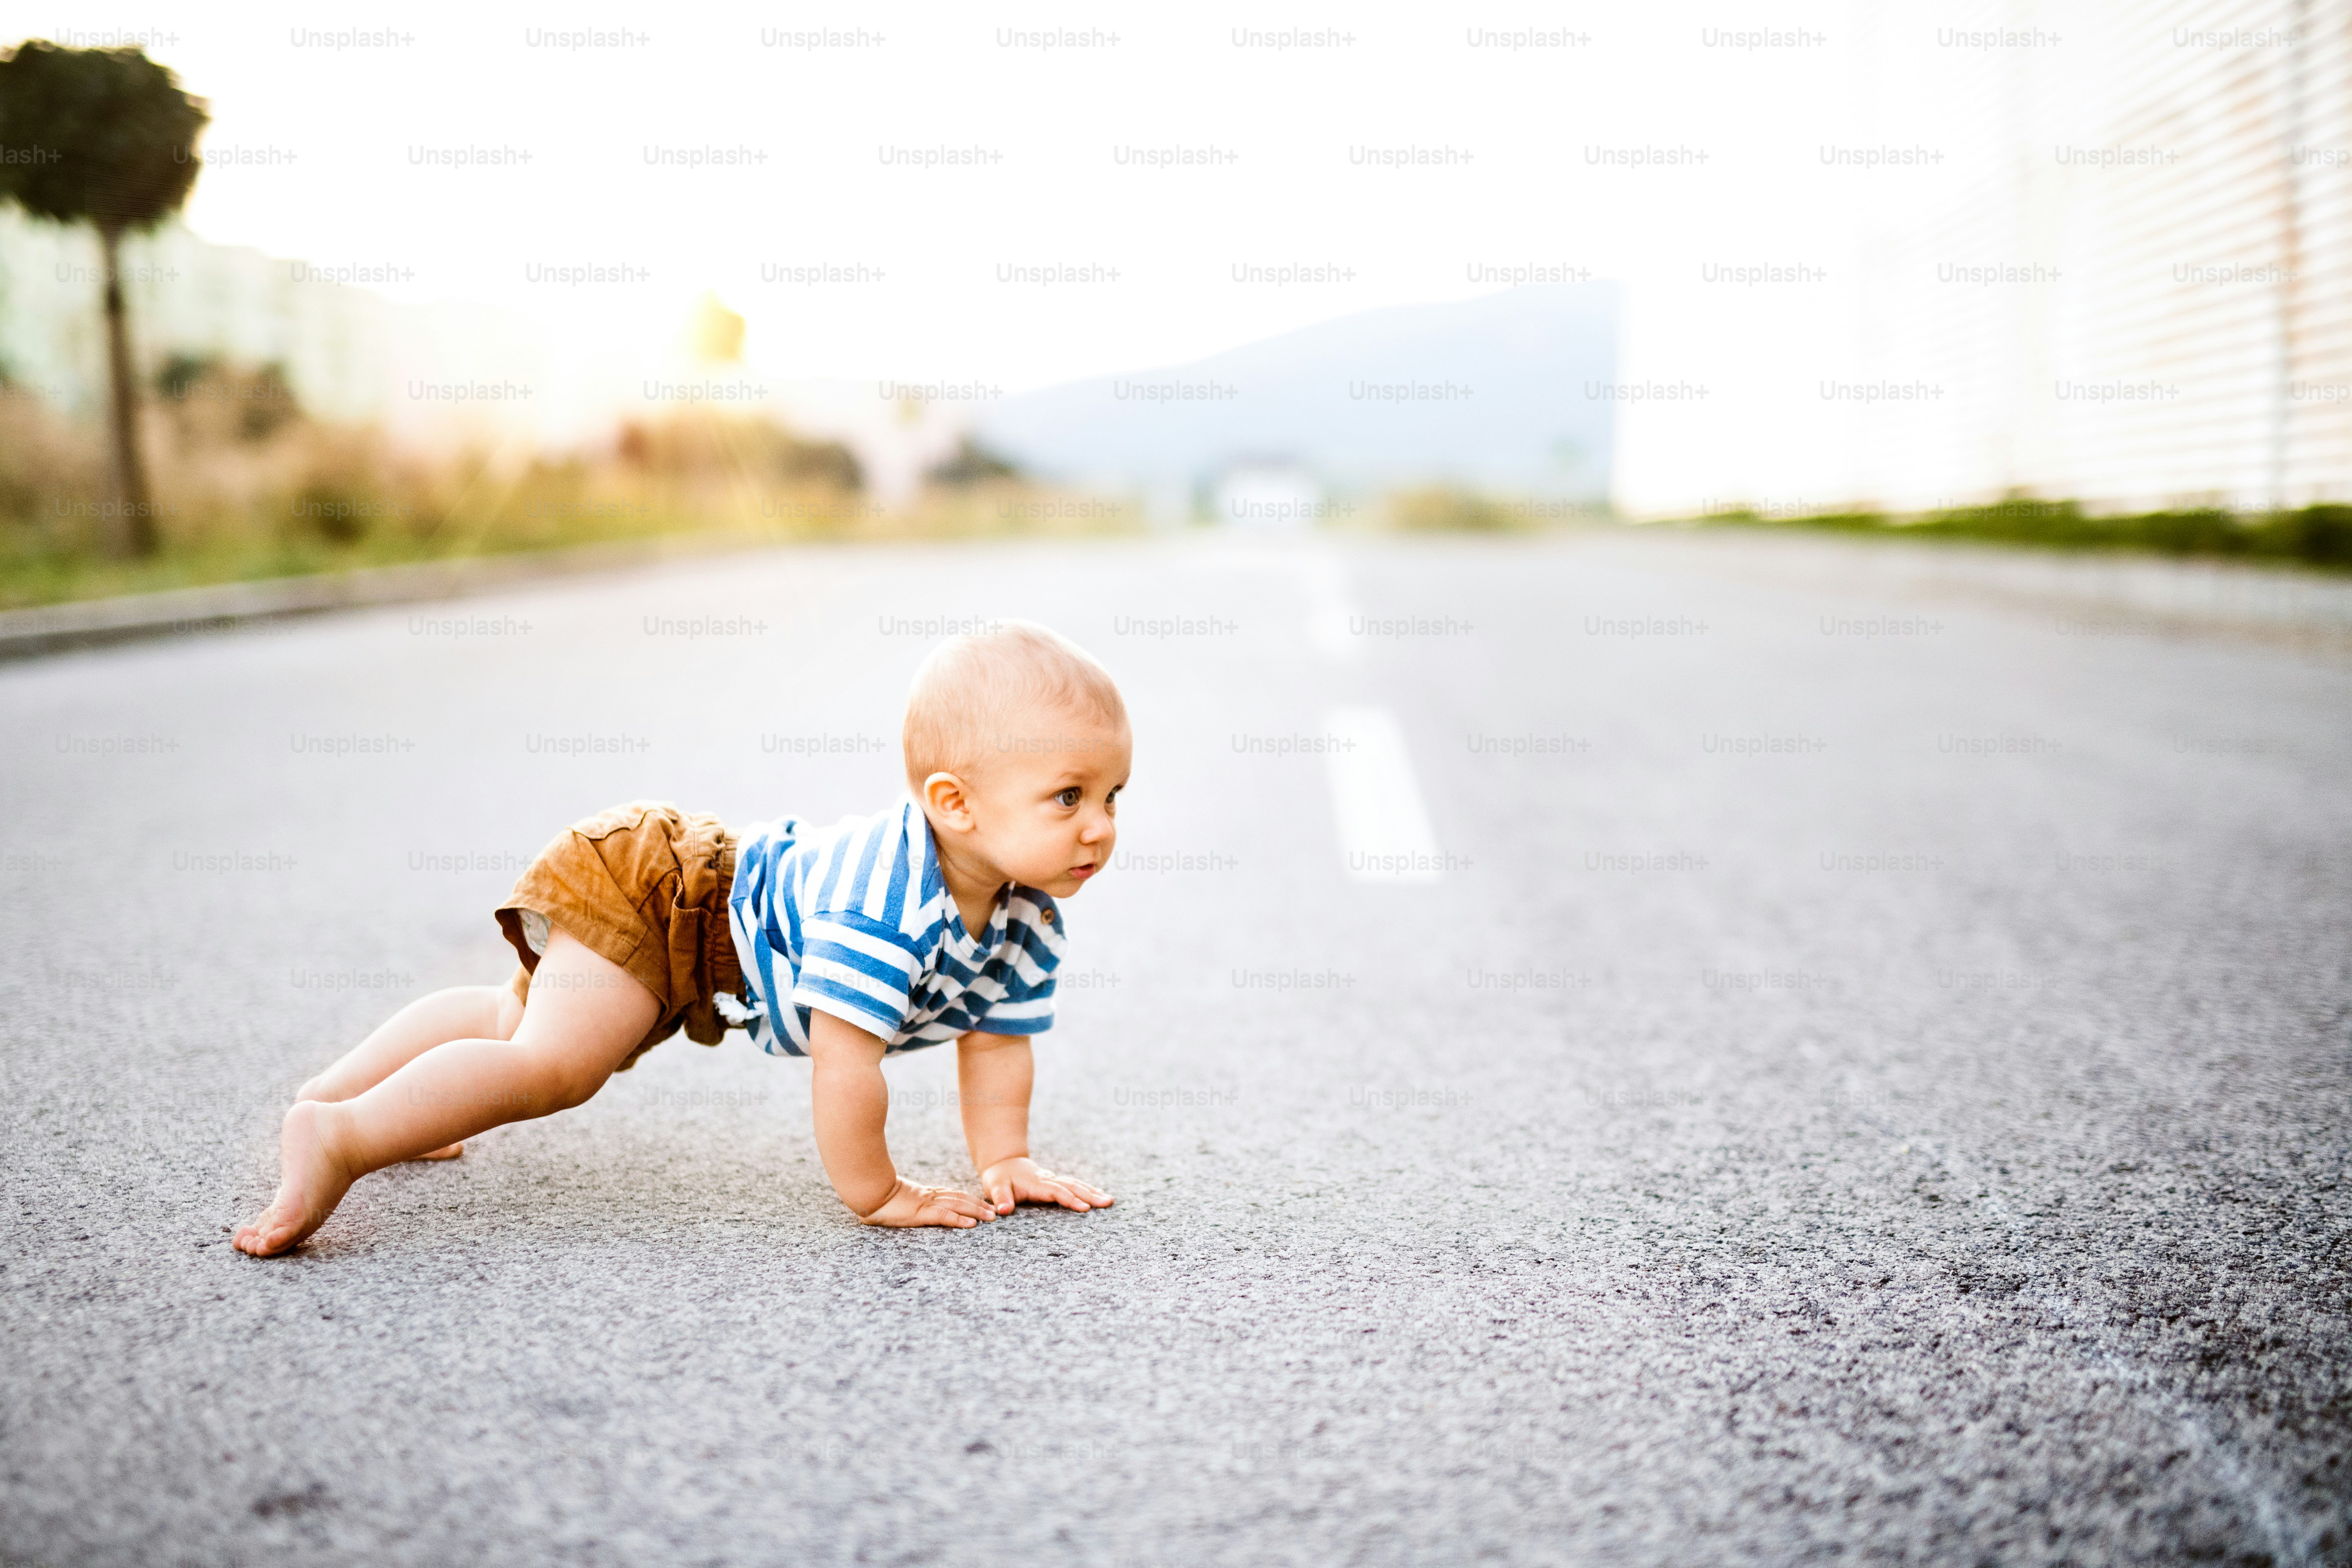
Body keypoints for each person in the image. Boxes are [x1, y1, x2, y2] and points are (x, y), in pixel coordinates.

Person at [234, 621, 1122, 1254]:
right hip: (662, 895)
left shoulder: (1027, 917)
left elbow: (996, 1042)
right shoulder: (889, 905)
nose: (1100, 827)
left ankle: (331, 1092)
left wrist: (1005, 1156)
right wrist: (879, 1192)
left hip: (689, 924)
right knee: (554, 1065)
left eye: (1114, 796)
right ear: (955, 803)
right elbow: (846, 1063)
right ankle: (342, 1134)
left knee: (513, 1023)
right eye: (1069, 796)